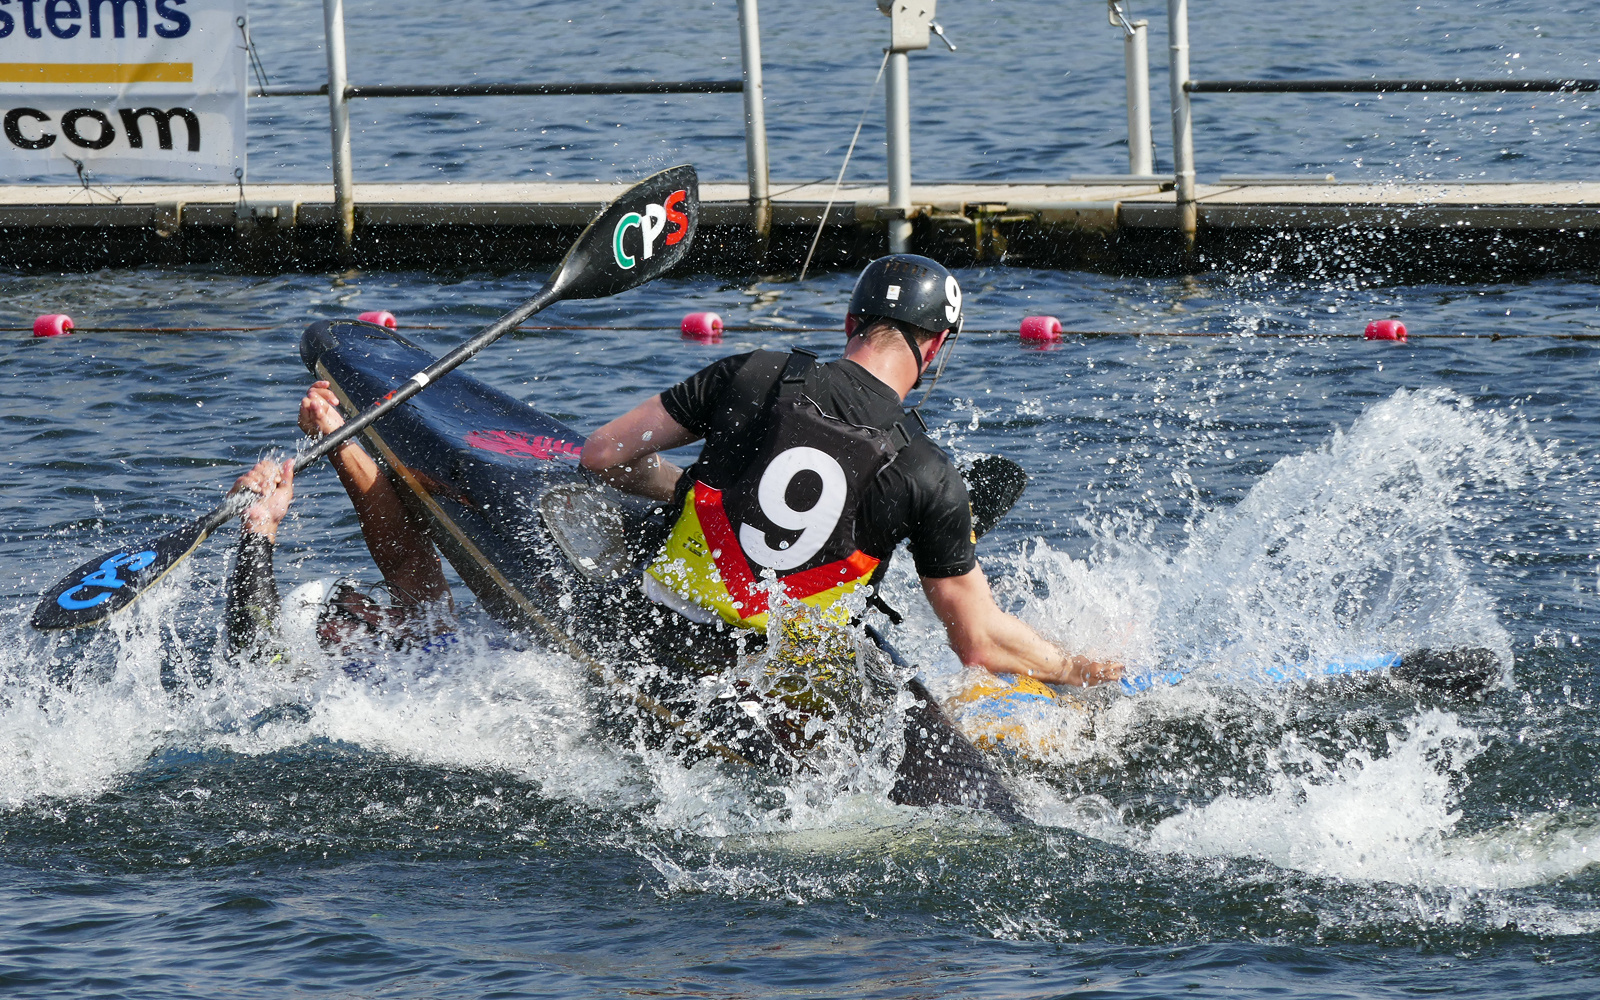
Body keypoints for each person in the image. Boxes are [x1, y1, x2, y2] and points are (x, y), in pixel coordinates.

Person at [581, 254, 1121, 690]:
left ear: (849, 324)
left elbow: (604, 454)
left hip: (650, 638)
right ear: (935, 348)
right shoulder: (928, 473)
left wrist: (687, 490)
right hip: (776, 688)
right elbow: (979, 642)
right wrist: (1072, 667)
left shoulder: (753, 371)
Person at [223, 381, 454, 660]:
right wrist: (259, 524)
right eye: (355, 603)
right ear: (334, 629)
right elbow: (404, 558)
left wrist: (334, 435)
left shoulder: (417, 645)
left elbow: (404, 558)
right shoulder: (429, 647)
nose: (383, 607)